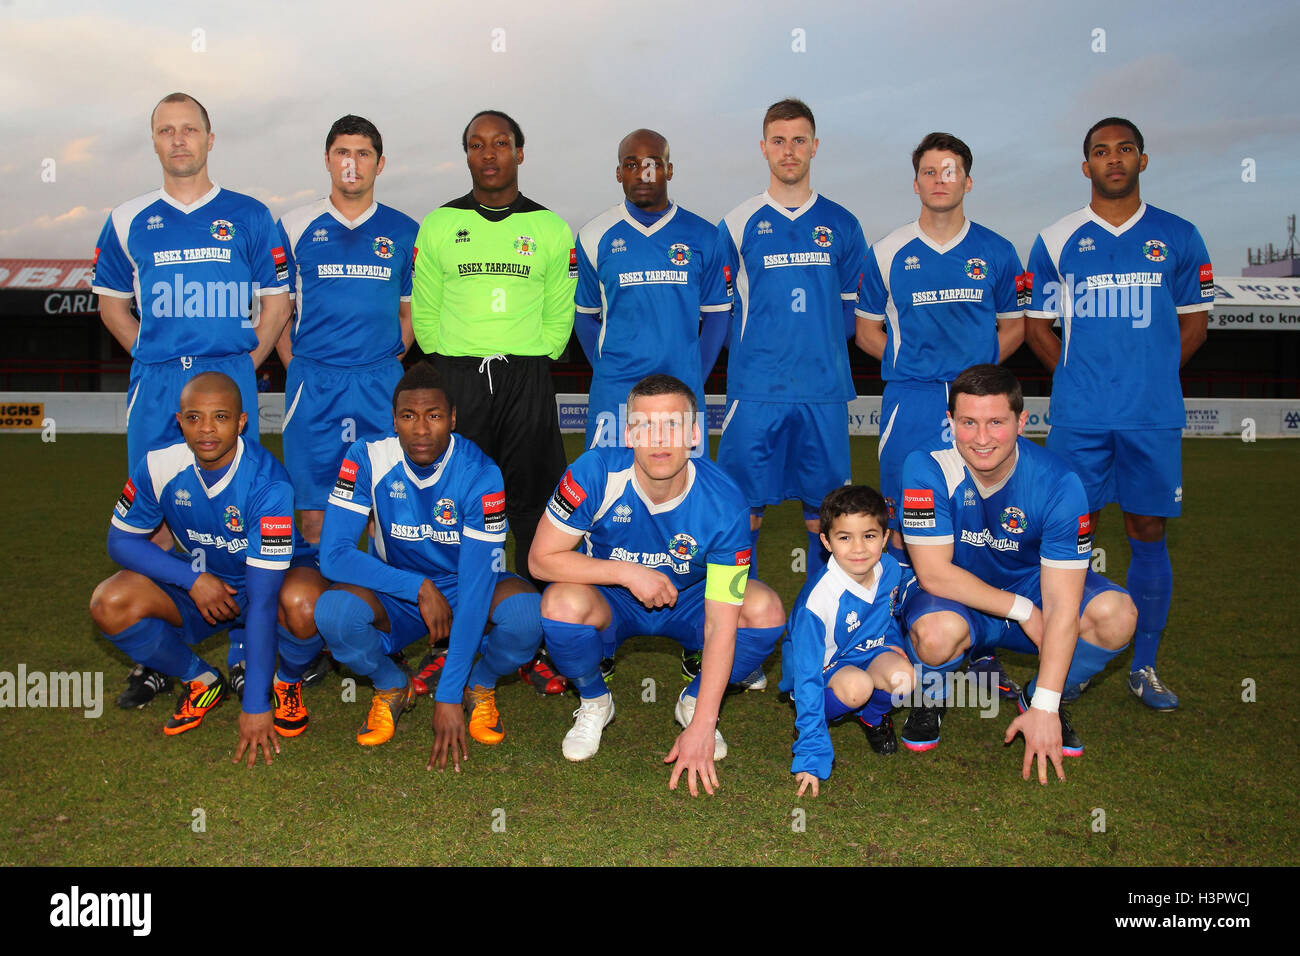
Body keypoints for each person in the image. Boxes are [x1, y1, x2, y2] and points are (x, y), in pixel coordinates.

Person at [92, 92, 293, 709]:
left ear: (211, 139)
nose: (178, 140)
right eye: (165, 130)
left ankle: (242, 648)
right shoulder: (127, 219)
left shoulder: (252, 215)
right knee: (152, 516)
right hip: (156, 387)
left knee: (240, 511)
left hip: (225, 375)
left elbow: (276, 304)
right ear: (154, 141)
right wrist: (153, 360)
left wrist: (234, 371)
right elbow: (111, 305)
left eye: (190, 130)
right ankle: (161, 661)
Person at [1024, 118, 1213, 711]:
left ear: (1142, 160)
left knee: (1147, 530)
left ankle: (1145, 667)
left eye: (1124, 150)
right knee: (1069, 533)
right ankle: (1064, 661)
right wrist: (1077, 377)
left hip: (1150, 416)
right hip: (1080, 417)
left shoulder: (1178, 236)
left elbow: (1194, 323)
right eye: (1100, 152)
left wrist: (1150, 377)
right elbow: (1035, 325)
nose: (1113, 160)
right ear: (1085, 166)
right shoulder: (1057, 240)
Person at [530, 374, 786, 796]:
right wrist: (628, 572)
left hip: (689, 604)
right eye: (647, 425)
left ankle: (694, 701)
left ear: (694, 434)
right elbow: (541, 560)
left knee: (764, 610)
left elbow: (722, 624)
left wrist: (704, 724)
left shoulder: (725, 501)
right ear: (629, 433)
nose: (660, 439)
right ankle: (596, 701)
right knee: (558, 603)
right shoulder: (593, 472)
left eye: (672, 425)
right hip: (612, 600)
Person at [897, 365, 1136, 782]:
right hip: (958, 595)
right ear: (950, 420)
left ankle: (1043, 695)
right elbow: (935, 575)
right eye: (968, 422)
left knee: (1117, 615)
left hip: (1032, 587)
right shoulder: (926, 467)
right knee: (936, 635)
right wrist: (1024, 610)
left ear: (1022, 421)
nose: (982, 438)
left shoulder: (1060, 483)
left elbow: (1062, 601)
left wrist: (1045, 703)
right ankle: (931, 694)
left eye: (996, 422)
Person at [854, 131, 1026, 700]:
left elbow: (1015, 326)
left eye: (950, 171)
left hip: (976, 408)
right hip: (911, 401)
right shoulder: (887, 251)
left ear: (967, 181)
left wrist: (975, 386)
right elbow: (867, 330)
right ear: (917, 182)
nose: (940, 180)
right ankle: (907, 641)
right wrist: (910, 365)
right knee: (904, 524)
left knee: (981, 519)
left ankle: (979, 648)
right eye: (930, 171)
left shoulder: (998, 251)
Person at [411, 109, 574, 694]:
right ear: (467, 155)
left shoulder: (552, 228)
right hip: (458, 379)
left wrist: (525, 355)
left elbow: (560, 316)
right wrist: (458, 360)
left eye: (500, 143)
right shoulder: (438, 224)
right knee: (458, 511)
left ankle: (534, 640)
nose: (489, 154)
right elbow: (424, 313)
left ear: (520, 153)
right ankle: (456, 638)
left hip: (527, 377)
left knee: (533, 510)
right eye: (476, 145)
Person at [314, 362, 544, 769]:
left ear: (453, 418)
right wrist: (417, 586)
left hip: (465, 584)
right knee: (333, 612)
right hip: (400, 591)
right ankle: (391, 685)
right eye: (409, 416)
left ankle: (481, 684)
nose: (421, 429)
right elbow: (333, 555)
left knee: (526, 616)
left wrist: (449, 694)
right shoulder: (366, 457)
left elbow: (475, 587)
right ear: (394, 420)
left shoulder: (481, 473)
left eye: (434, 416)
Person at [88, 373, 323, 766]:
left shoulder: (268, 484)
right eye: (195, 418)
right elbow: (121, 541)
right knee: (109, 602)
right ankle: (201, 680)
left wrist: (255, 705)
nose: (207, 430)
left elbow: (262, 603)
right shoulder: (158, 466)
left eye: (221, 417)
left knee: (304, 604)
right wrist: (192, 579)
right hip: (204, 581)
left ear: (242, 422)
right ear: (179, 421)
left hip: (269, 584)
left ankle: (287, 682)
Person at [716, 98, 867, 589]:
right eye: (778, 141)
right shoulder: (736, 224)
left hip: (823, 391)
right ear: (763, 148)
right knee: (740, 516)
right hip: (755, 390)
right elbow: (721, 308)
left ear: (815, 146)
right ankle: (735, 632)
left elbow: (850, 309)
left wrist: (814, 349)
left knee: (829, 520)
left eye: (799, 140)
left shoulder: (843, 224)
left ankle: (822, 633)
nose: (789, 150)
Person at [275, 114, 418, 546]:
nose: (352, 163)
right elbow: (278, 311)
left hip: (379, 383)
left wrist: (385, 361)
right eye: (342, 152)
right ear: (327, 160)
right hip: (314, 384)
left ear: (380, 163)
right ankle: (321, 613)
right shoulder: (294, 226)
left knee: (386, 513)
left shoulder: (405, 230)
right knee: (316, 517)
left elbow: (409, 314)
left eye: (363, 153)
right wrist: (298, 366)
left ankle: (380, 608)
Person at [574, 128, 731, 449]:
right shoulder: (593, 235)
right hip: (615, 394)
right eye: (631, 164)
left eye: (653, 163)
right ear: (618, 173)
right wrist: (610, 371)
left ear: (669, 169)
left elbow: (717, 316)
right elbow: (585, 317)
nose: (643, 173)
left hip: (680, 392)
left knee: (681, 492)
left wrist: (692, 376)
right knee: (607, 488)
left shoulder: (704, 235)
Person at [787, 486, 915, 798]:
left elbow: (890, 613)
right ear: (826, 541)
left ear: (885, 538)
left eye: (869, 536)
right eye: (845, 537)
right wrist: (811, 755)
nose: (859, 548)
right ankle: (813, 721)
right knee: (858, 688)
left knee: (905, 678)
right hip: (823, 669)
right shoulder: (818, 602)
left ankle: (872, 718)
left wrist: (895, 643)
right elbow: (806, 675)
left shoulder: (890, 570)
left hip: (868, 652)